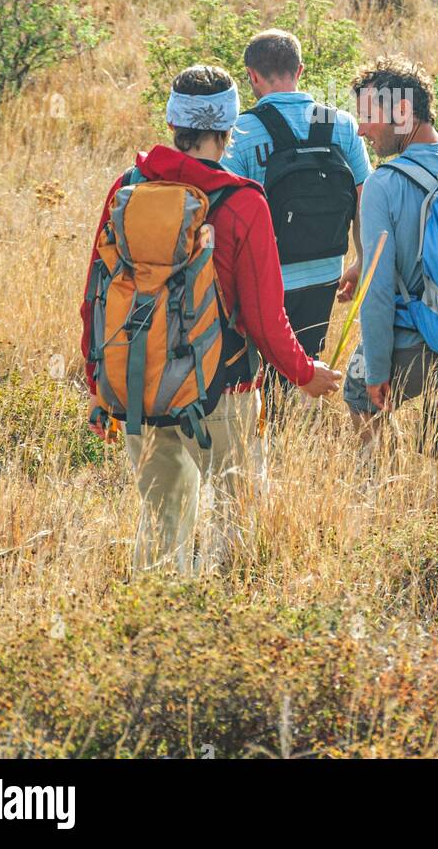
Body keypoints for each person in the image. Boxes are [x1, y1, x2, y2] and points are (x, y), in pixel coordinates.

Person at [80, 63, 340, 574]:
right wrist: (305, 375)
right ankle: (224, 632)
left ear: (174, 121)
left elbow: (95, 296)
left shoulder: (126, 188)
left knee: (161, 520)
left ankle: (154, 631)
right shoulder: (243, 202)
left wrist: (99, 386)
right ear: (230, 126)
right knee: (240, 520)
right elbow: (266, 319)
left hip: (141, 386)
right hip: (224, 391)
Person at [345, 55, 438, 465]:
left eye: (367, 116)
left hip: (415, 342)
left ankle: (381, 485)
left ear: (402, 111)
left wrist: (377, 371)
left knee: (359, 391)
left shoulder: (383, 183)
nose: (361, 129)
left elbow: (377, 292)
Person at [220, 29, 371, 425]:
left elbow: (226, 211)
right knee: (305, 361)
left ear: (252, 76)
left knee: (262, 373)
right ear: (299, 70)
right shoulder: (340, 122)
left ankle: (271, 441)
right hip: (326, 272)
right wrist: (359, 259)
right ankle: (297, 435)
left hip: (265, 279)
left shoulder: (239, 132)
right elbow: (365, 199)